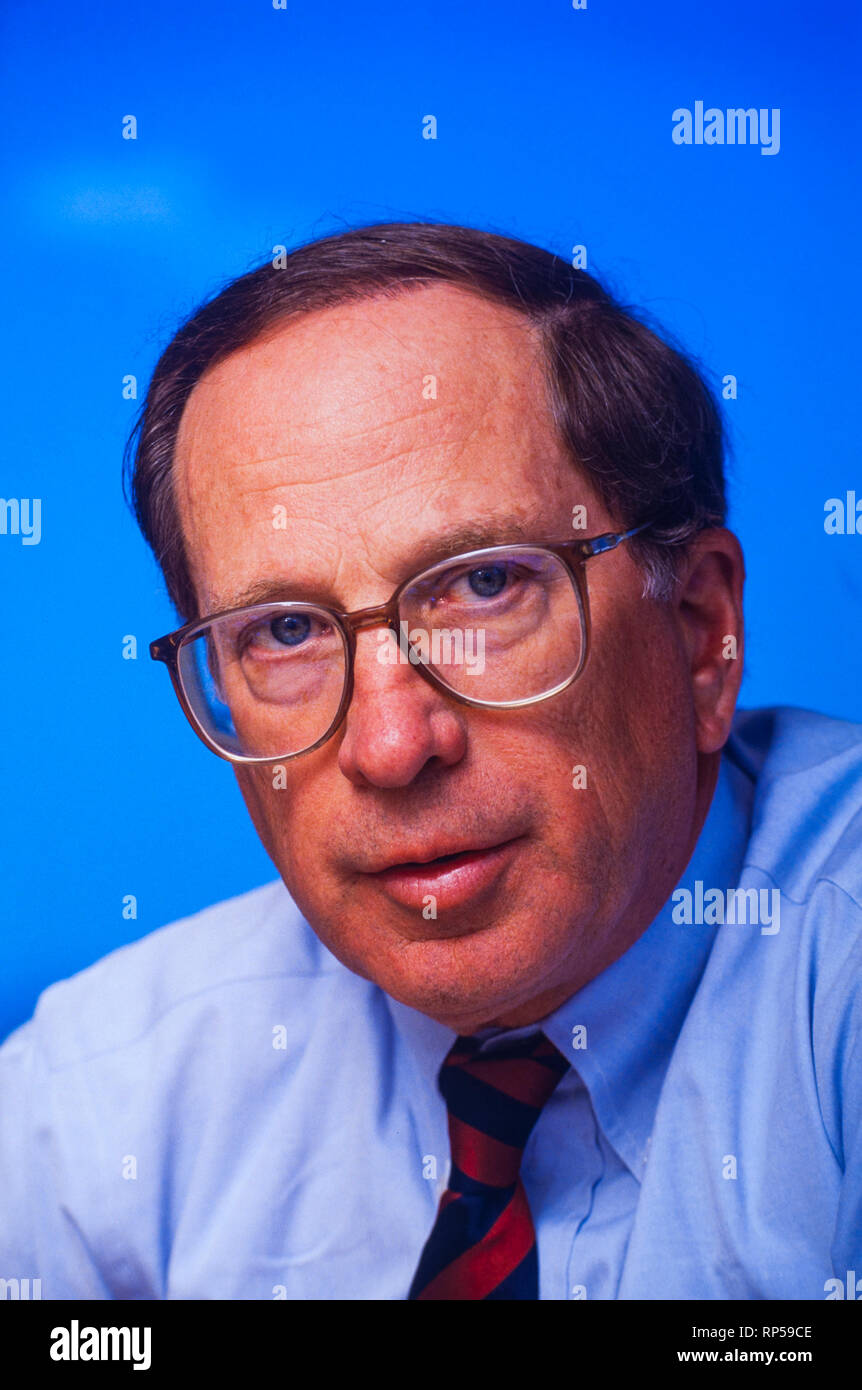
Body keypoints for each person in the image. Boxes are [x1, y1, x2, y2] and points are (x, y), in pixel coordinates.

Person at [1, 223, 860, 1301]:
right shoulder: (100, 1099)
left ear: (697, 635)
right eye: (283, 631)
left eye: (485, 586)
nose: (392, 746)